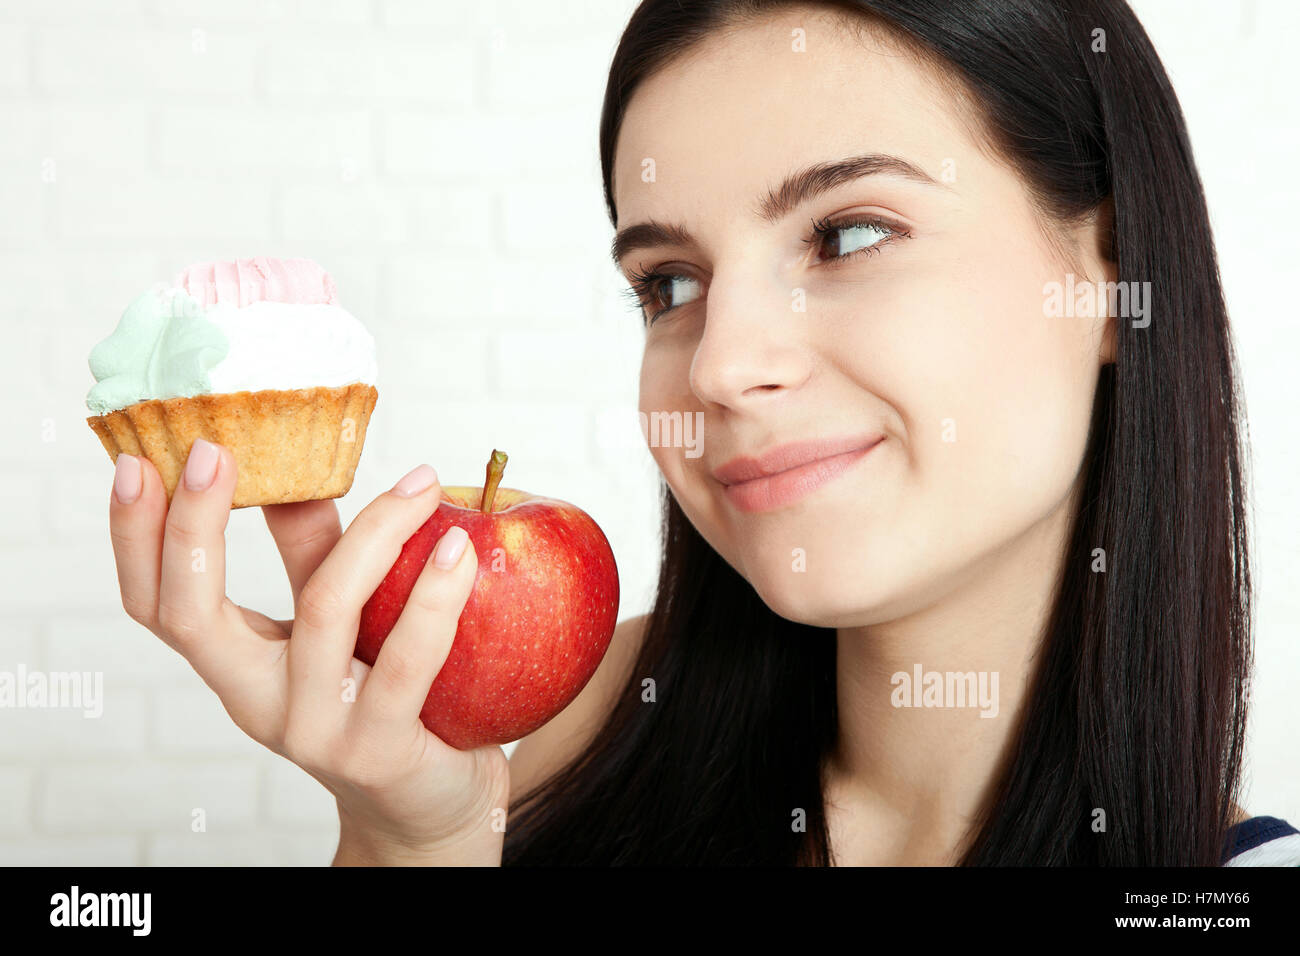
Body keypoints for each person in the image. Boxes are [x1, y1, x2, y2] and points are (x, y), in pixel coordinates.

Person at [106, 0, 1296, 865]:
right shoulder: (550, 742)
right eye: (667, 284)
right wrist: (411, 840)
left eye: (848, 235)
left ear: (1111, 276)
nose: (720, 366)